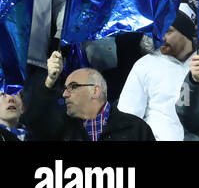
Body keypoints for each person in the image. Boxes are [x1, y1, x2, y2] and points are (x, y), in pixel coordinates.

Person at [117, 2, 199, 141]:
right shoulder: (146, 64)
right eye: (159, 31)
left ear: (186, 34)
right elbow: (127, 119)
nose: (162, 37)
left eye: (169, 31)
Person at [24, 51, 154, 141]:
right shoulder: (60, 127)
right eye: (65, 88)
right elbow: (34, 124)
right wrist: (49, 82)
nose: (64, 94)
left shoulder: (136, 129)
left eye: (73, 87)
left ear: (95, 91)